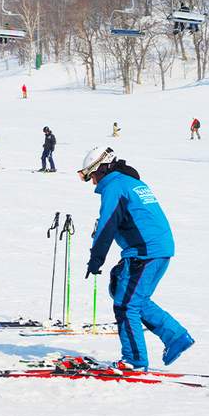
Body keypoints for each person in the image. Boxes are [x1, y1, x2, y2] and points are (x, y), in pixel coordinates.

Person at [78, 146, 194, 372]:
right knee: (128, 296)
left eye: (92, 176)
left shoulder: (115, 186)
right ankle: (176, 337)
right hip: (156, 249)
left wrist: (95, 259)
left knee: (125, 305)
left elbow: (106, 226)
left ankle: (134, 360)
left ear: (101, 169)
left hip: (145, 252)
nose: (92, 182)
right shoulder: (130, 183)